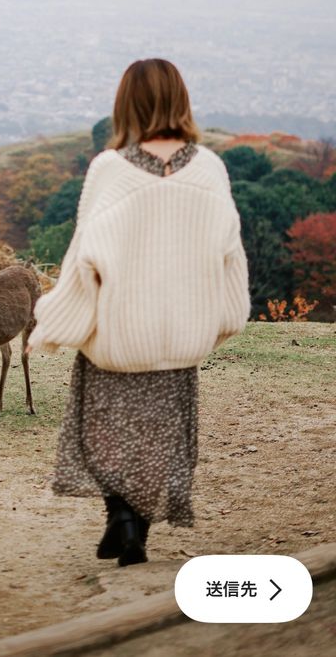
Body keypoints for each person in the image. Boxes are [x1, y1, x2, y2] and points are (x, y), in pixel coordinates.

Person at [27, 58, 250, 566]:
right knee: (159, 436)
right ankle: (135, 529)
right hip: (181, 338)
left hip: (120, 336)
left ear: (126, 104)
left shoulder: (110, 169)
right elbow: (230, 259)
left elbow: (83, 259)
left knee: (105, 430)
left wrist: (58, 321)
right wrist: (223, 320)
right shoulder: (210, 168)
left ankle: (122, 520)